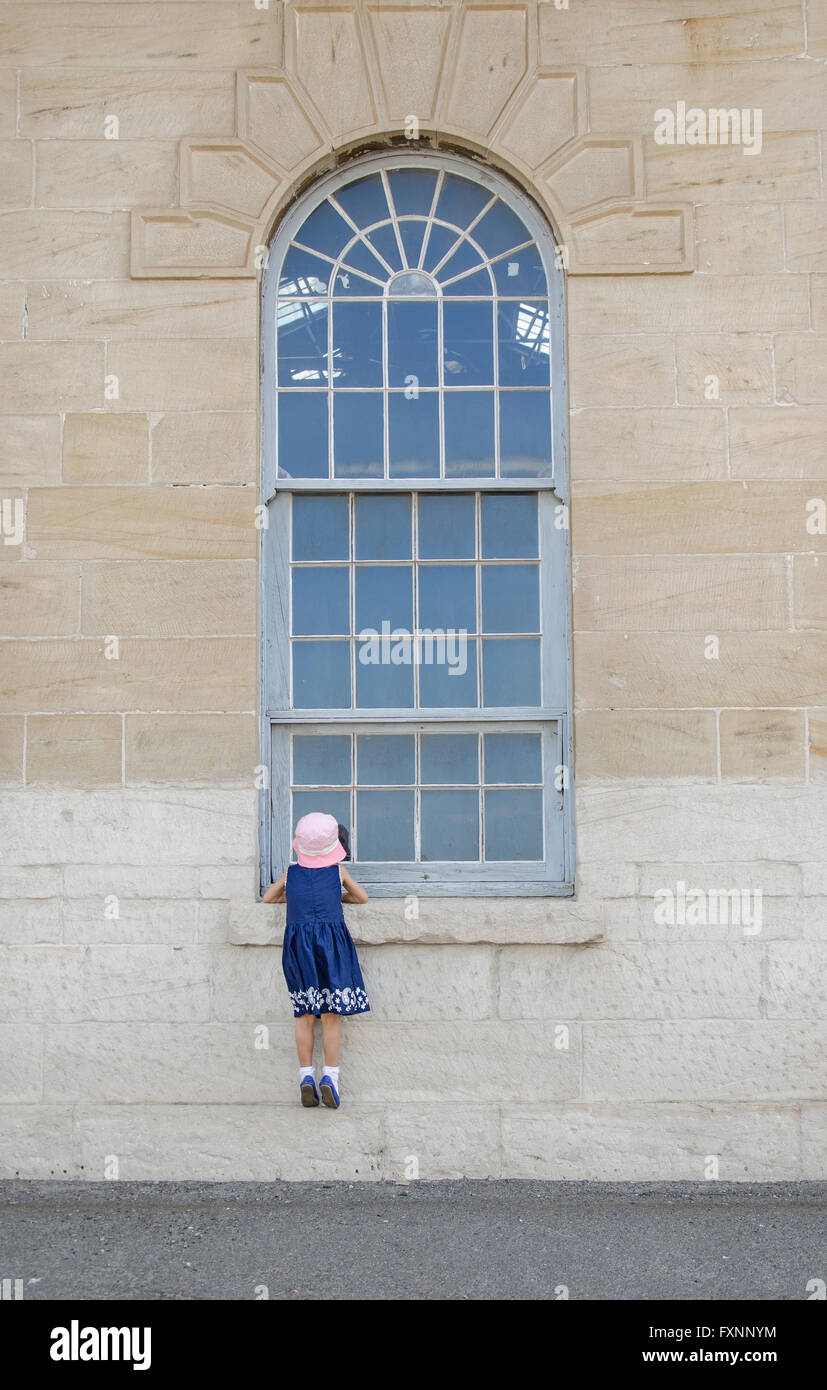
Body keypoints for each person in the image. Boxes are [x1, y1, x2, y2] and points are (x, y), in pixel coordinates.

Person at [262, 812, 369, 1109]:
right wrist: (340, 897)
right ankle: (330, 1078)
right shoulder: (338, 873)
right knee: (331, 1015)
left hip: (299, 949)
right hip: (331, 948)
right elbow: (363, 897)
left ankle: (306, 1076)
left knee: (304, 1014)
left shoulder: (290, 874)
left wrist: (291, 898)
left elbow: (268, 898)